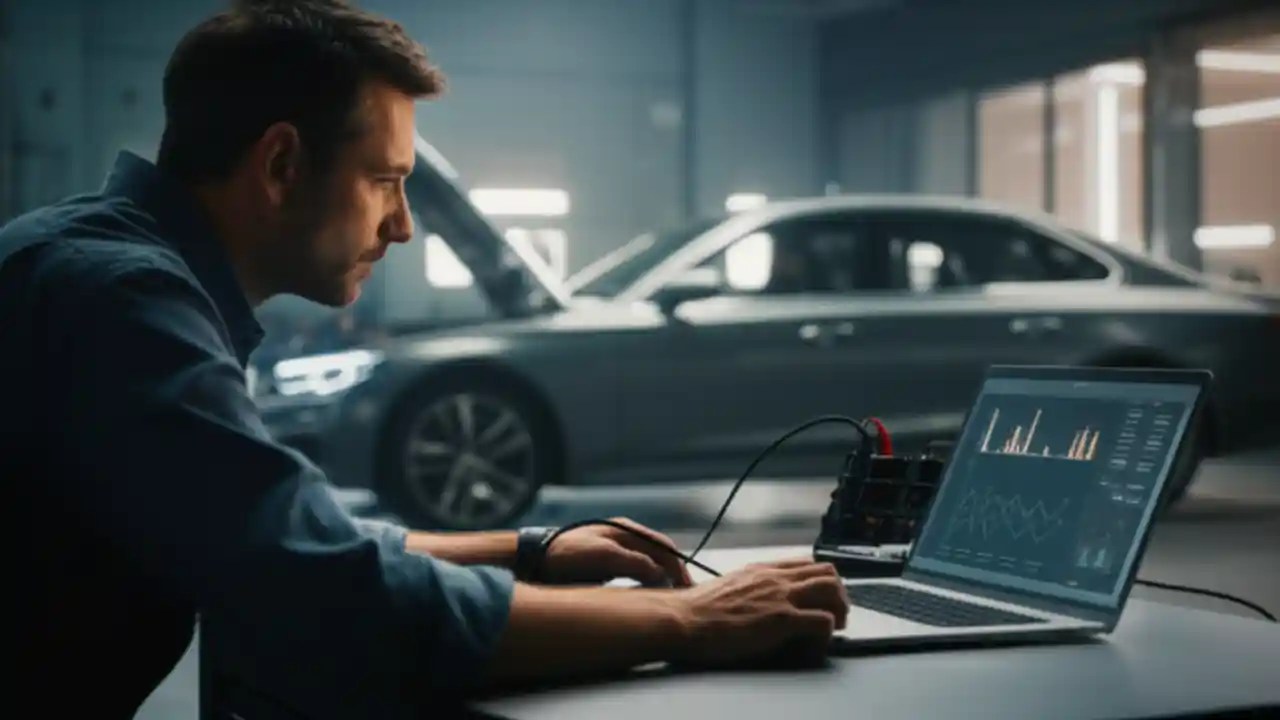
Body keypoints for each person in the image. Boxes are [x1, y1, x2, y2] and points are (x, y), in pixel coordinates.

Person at [0, 1, 849, 717]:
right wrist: (694, 620)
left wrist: (528, 549)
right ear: (281, 164)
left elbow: (290, 536)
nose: (403, 225)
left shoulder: (89, 263)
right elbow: (326, 592)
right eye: (385, 180)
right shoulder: (122, 304)